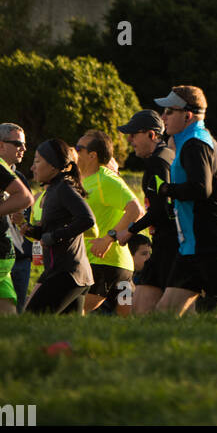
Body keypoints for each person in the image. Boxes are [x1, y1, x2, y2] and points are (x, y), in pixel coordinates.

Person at [154, 85, 217, 315]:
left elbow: (201, 188)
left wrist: (167, 189)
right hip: (193, 246)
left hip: (212, 244)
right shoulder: (203, 140)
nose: (163, 116)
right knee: (165, 311)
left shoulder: (194, 143)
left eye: (169, 111)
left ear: (187, 115)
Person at [115, 109, 178, 315]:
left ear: (151, 135)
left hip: (170, 244)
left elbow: (160, 208)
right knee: (145, 305)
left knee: (161, 308)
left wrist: (130, 231)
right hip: (165, 242)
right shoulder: (167, 156)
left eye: (134, 134)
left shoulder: (158, 162)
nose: (130, 140)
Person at [24, 139, 96, 314]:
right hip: (70, 273)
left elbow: (87, 219)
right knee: (66, 334)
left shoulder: (63, 188)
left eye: (37, 161)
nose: (33, 167)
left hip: (67, 273)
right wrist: (31, 230)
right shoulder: (52, 189)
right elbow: (52, 229)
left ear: (54, 166)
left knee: (31, 320)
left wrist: (54, 236)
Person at [76, 129, 142, 316]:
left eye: (79, 148)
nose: (75, 151)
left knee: (73, 311)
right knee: (125, 323)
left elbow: (136, 209)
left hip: (104, 265)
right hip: (114, 267)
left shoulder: (105, 179)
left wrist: (108, 238)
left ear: (92, 155)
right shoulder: (82, 181)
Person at [0, 121, 34, 312]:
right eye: (18, 144)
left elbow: (26, 198)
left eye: (24, 144)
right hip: (4, 254)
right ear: (1, 145)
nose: (24, 148)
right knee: (6, 319)